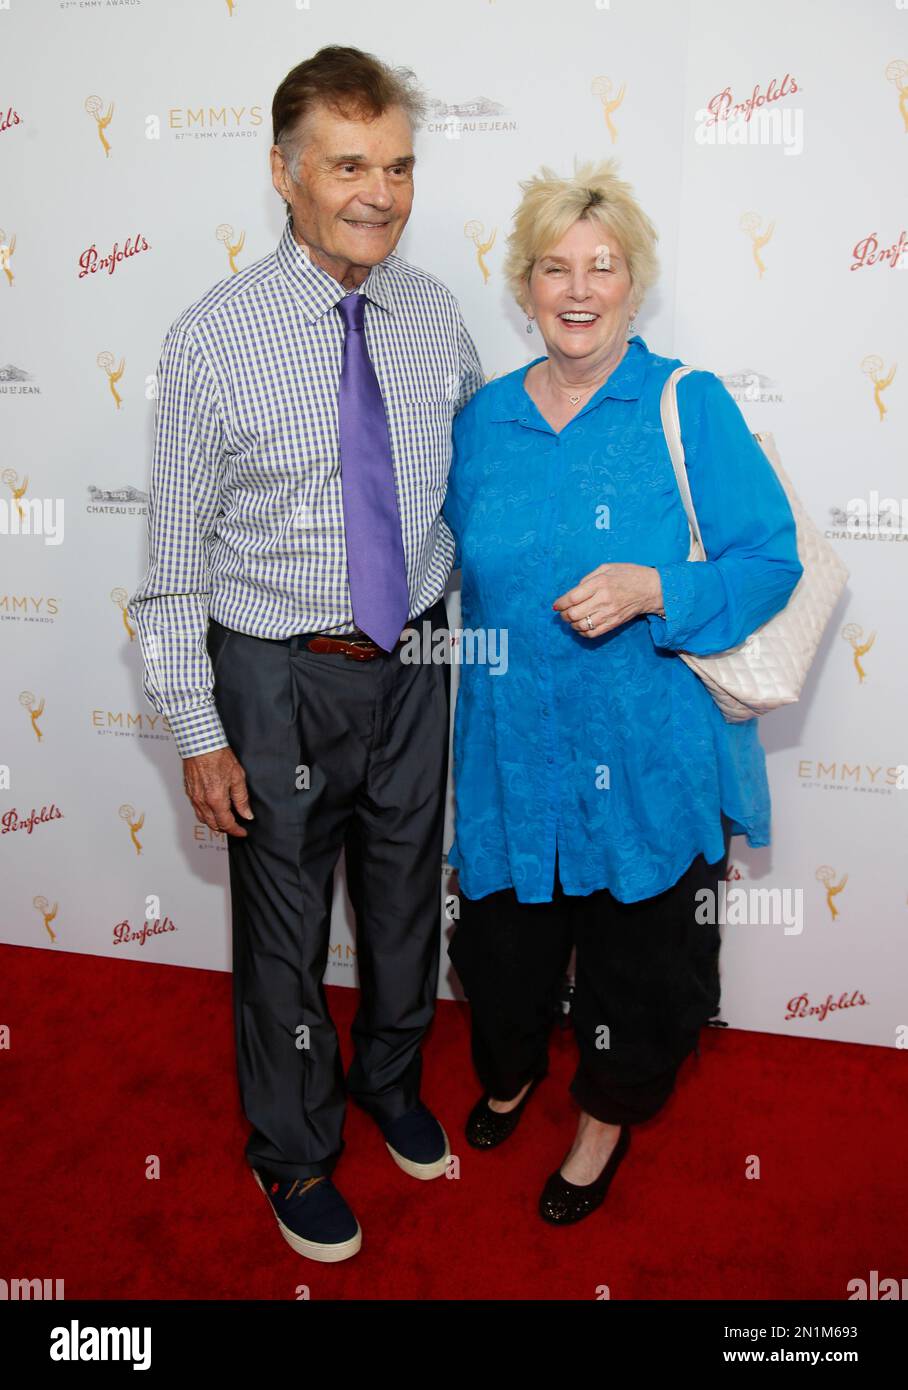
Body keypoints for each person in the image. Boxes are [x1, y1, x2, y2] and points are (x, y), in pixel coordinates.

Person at [128, 46, 484, 1263]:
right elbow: (171, 566)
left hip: (417, 655)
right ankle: (291, 1150)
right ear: (284, 173)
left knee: (400, 902)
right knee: (283, 935)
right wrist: (196, 728)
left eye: (396, 165)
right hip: (277, 675)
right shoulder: (211, 340)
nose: (378, 191)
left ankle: (388, 1082)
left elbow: (459, 499)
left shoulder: (436, 315)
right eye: (347, 165)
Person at [442, 158, 803, 1226]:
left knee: (633, 969)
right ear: (524, 288)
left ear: (631, 286)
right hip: (511, 753)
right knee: (499, 956)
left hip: (645, 757)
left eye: (600, 266)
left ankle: (601, 1121)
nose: (577, 287)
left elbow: (768, 558)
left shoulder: (682, 402)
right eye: (553, 267)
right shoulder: (483, 420)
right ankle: (508, 1075)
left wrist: (659, 588)